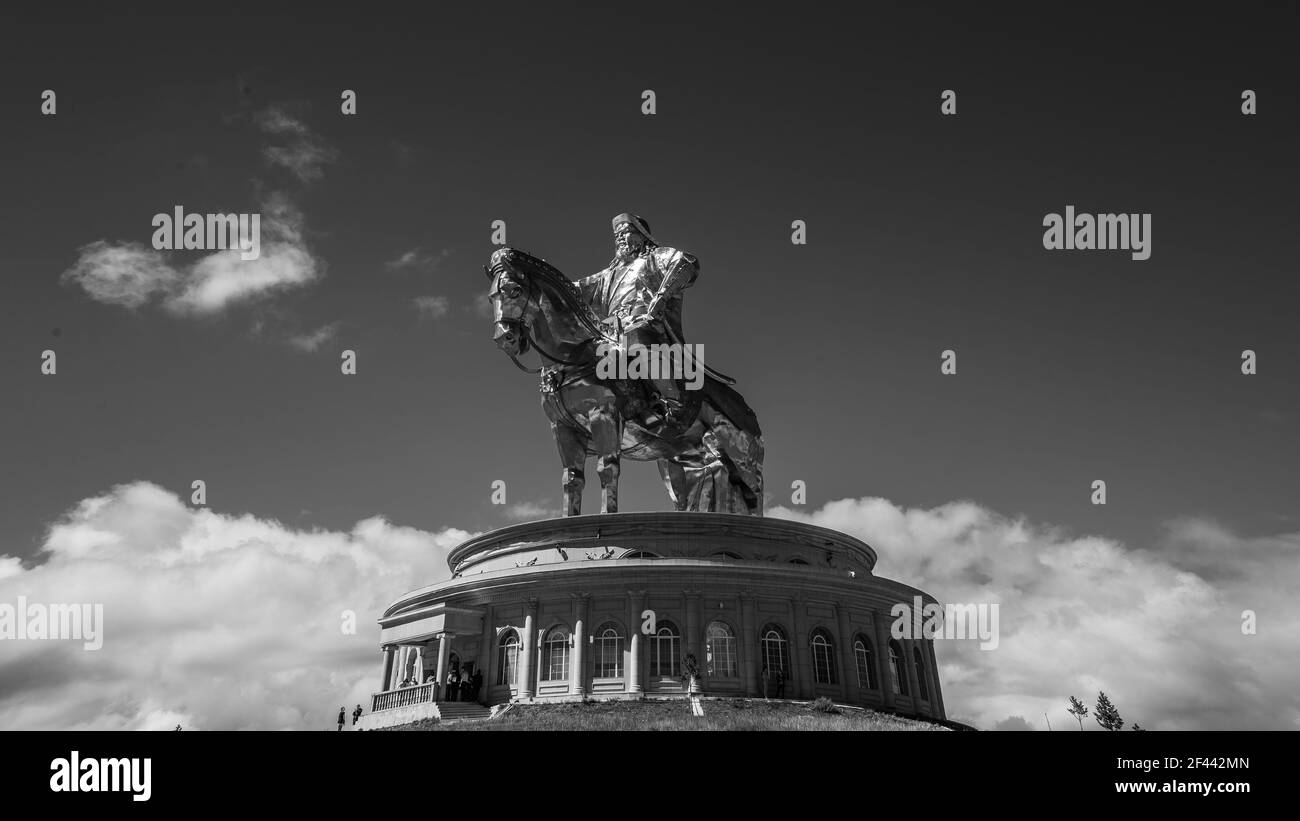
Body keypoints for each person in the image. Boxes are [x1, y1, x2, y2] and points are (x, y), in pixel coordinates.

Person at [575, 213, 702, 434]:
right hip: (611, 331)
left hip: (645, 323)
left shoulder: (655, 258)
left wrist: (661, 298)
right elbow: (574, 290)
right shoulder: (608, 275)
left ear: (642, 236)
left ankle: (675, 406)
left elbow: (687, 263)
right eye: (617, 235)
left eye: (626, 232)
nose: (621, 238)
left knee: (636, 338)